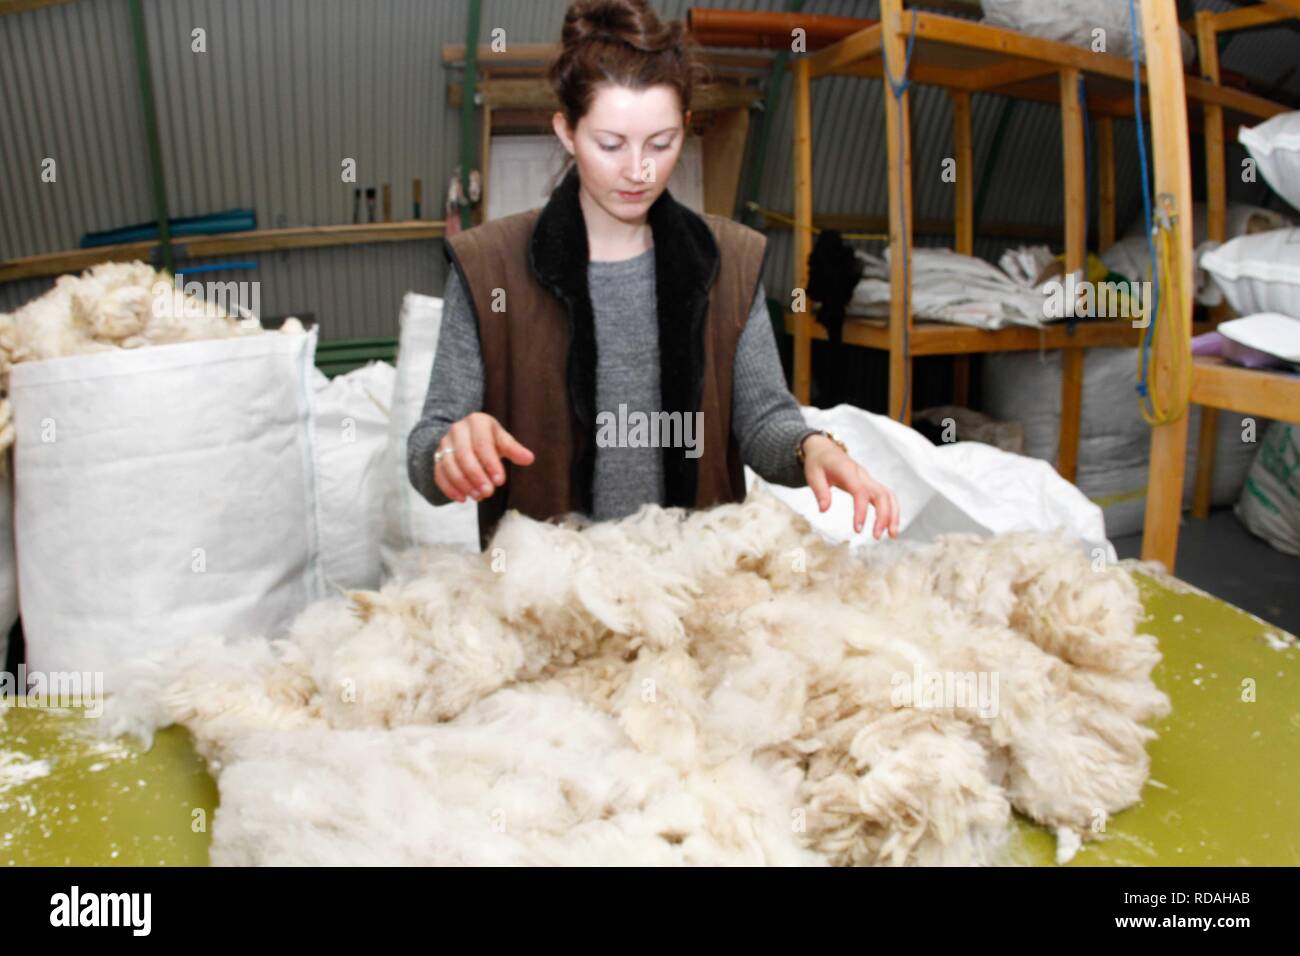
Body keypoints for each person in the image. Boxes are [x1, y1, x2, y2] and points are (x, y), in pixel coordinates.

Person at [408, 0, 898, 550]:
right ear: (566, 131)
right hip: (549, 601)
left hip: (691, 592)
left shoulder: (729, 262)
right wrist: (451, 449)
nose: (639, 170)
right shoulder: (488, 267)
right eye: (611, 144)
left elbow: (762, 420)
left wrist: (814, 448)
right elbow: (427, 449)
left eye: (661, 144)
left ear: (686, 129)